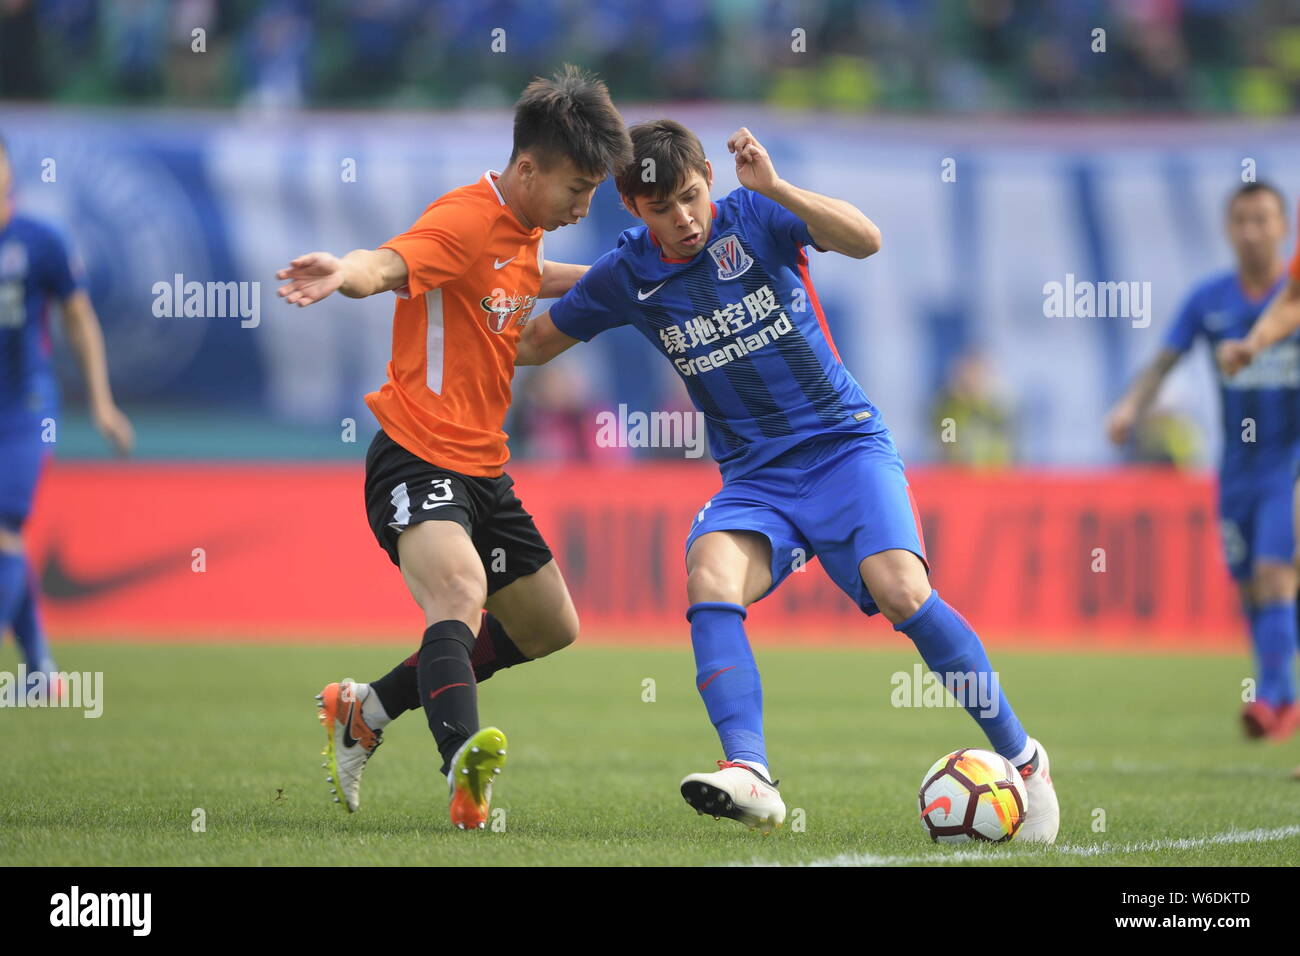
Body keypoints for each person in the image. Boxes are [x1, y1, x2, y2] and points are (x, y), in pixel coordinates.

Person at [516, 119, 1060, 841]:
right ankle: (750, 772)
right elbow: (532, 344)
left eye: (689, 197)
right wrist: (457, 286)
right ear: (630, 205)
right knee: (709, 572)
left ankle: (1023, 759)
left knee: (902, 590)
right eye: (661, 208)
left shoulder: (757, 215)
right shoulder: (626, 276)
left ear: (708, 176)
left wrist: (773, 185)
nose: (682, 218)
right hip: (754, 479)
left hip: (844, 448)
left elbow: (867, 239)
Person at [276, 66, 631, 830]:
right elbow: (389, 264)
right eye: (577, 188)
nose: (584, 205)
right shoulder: (465, 220)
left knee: (548, 627)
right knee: (460, 593)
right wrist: (346, 270)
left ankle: (363, 709)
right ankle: (463, 772)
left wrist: (627, 281)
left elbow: (533, 288)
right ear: (527, 168)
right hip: (415, 455)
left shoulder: (524, 233)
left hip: (482, 470)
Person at [1107, 181, 1299, 741]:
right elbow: (1164, 361)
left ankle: (1272, 698)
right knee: (1247, 584)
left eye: (1262, 220)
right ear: (1227, 229)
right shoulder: (1209, 298)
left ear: (1282, 227)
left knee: (1274, 571)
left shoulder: (1295, 291)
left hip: (1291, 462)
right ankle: (1279, 689)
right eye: (1241, 220)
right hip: (1238, 466)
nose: (1251, 232)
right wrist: (1129, 407)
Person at [0, 134, 134, 698]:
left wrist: (101, 402)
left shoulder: (39, 239)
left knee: (4, 528)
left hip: (24, 411)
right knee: (7, 538)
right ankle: (40, 671)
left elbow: (78, 319)